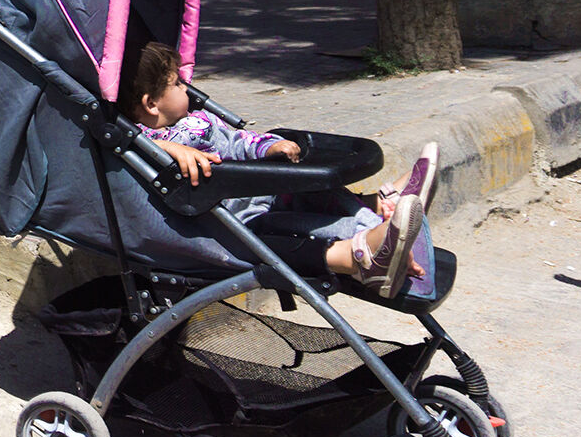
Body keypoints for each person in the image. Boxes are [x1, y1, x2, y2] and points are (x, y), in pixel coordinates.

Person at [124, 42, 433, 299]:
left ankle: (380, 208)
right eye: (177, 83)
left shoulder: (197, 119)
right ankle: (366, 249)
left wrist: (270, 146)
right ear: (152, 104)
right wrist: (165, 149)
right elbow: (136, 153)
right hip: (241, 223)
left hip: (263, 189)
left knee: (318, 187)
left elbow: (239, 141)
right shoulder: (141, 145)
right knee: (303, 226)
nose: (186, 88)